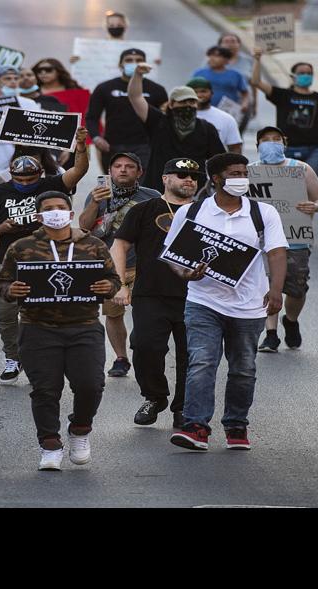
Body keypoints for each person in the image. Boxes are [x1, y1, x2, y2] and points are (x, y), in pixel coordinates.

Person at [166, 153, 287, 452]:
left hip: (248, 306)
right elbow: (172, 253)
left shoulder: (263, 213)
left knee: (243, 368)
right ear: (216, 179)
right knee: (202, 362)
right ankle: (195, 426)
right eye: (234, 173)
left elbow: (277, 253)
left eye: (244, 173)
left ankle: (236, 425)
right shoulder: (192, 212)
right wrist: (185, 273)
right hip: (203, 301)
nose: (241, 178)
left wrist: (276, 290)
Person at [0, 189, 122, 471]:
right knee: (45, 390)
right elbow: (2, 284)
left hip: (84, 326)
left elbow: (113, 279)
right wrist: (10, 290)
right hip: (38, 328)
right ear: (39, 216)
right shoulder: (21, 247)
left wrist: (108, 288)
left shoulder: (93, 245)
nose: (55, 212)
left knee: (90, 385)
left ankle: (79, 429)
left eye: (60, 207)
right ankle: (49, 444)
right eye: (48, 208)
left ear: (70, 213)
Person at [0, 135, 92, 384]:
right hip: (10, 262)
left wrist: (80, 148)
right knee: (6, 312)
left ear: (40, 173)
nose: (26, 183)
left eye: (31, 179)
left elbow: (80, 169)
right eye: (20, 179)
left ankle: (42, 359)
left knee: (46, 313)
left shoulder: (51, 186)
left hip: (49, 261)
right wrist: (1, 228)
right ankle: (12, 357)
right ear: (11, 174)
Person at [111, 157, 199, 429]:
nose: (188, 180)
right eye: (181, 175)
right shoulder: (145, 209)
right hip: (150, 293)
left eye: (193, 177)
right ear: (164, 179)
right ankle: (154, 396)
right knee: (145, 347)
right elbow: (119, 246)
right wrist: (121, 285)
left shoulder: (206, 212)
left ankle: (183, 409)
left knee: (192, 356)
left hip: (197, 297)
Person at [76, 151, 158, 378]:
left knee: (147, 315)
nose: (123, 170)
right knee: (113, 315)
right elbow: (84, 227)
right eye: (118, 166)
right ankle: (121, 358)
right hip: (110, 268)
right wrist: (94, 202)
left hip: (144, 267)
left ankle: (144, 352)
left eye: (129, 166)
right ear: (110, 172)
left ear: (139, 172)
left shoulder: (151, 196)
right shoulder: (99, 195)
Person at [250, 125, 318, 352]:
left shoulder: (301, 169)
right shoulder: (249, 172)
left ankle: (290, 321)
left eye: (276, 139)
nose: (271, 143)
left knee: (297, 288)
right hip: (261, 242)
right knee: (266, 284)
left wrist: (315, 205)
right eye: (266, 139)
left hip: (295, 240)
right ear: (258, 146)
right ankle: (270, 334)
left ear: (284, 143)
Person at [249, 51, 318, 177]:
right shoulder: (283, 95)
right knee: (288, 187)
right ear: (293, 76)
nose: (306, 75)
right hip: (288, 149)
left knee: (309, 185)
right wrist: (257, 59)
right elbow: (256, 82)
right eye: (302, 73)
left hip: (315, 150)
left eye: (309, 73)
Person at [129, 74, 224, 195]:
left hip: (194, 191)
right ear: (171, 104)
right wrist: (138, 74)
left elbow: (219, 161)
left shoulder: (206, 128)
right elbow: (135, 97)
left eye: (192, 102)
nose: (188, 106)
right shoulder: (158, 122)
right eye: (183, 102)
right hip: (158, 190)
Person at [87, 49, 162, 173]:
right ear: (120, 64)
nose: (134, 63)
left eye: (139, 60)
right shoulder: (104, 88)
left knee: (142, 185)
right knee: (116, 183)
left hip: (145, 146)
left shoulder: (157, 90)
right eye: (129, 60)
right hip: (113, 145)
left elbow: (163, 121)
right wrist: (96, 137)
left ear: (145, 64)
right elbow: (92, 117)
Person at [0, 66, 42, 189]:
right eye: (7, 78)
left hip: (22, 167)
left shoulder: (28, 104)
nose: (13, 81)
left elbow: (38, 135)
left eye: (16, 78)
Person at [187, 77, 241, 154]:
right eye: (194, 92)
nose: (199, 95)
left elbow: (235, 148)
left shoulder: (226, 118)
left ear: (211, 93)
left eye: (203, 91)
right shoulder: (179, 116)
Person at [193, 46, 248, 117]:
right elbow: (189, 91)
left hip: (227, 113)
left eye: (217, 56)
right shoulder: (199, 73)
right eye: (210, 55)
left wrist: (244, 104)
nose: (212, 58)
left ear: (227, 60)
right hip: (203, 112)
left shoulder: (236, 75)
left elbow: (245, 93)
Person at [217, 32, 255, 129]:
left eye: (233, 41)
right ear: (220, 45)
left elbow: (253, 83)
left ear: (239, 44)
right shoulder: (213, 60)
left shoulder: (248, 60)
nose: (230, 44)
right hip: (218, 103)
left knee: (236, 134)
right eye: (226, 42)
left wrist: (254, 104)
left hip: (242, 104)